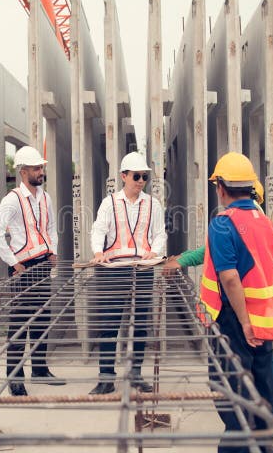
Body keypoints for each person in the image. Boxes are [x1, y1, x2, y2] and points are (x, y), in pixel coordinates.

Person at [200, 152, 273, 453]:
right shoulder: (267, 223)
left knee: (232, 391)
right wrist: (267, 313)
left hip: (234, 321)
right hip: (265, 320)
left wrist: (245, 322)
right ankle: (265, 446)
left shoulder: (222, 224)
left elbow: (230, 279)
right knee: (263, 387)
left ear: (221, 187)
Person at [0, 145, 65, 396]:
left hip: (42, 263)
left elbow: (51, 227)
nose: (40, 171)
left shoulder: (45, 197)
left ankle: (40, 370)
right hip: (23, 268)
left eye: (41, 167)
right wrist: (13, 262)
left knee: (42, 318)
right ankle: (15, 377)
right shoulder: (12, 199)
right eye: (35, 168)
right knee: (20, 322)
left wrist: (52, 250)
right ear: (23, 172)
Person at [89, 152, 167, 395]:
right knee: (109, 324)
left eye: (144, 177)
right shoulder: (109, 203)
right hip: (114, 271)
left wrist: (154, 252)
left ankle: (135, 374)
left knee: (139, 324)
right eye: (136, 176)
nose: (141, 181)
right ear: (124, 176)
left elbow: (160, 234)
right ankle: (106, 378)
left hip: (142, 270)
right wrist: (98, 252)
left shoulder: (153, 204)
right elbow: (98, 229)